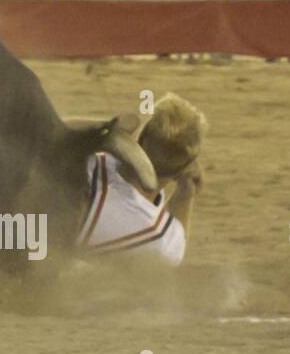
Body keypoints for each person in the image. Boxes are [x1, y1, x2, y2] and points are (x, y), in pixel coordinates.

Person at [77, 94, 208, 265]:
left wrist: (107, 130)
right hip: (72, 286)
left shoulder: (85, 163)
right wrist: (185, 195)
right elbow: (175, 250)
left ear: (141, 136)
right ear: (184, 168)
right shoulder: (161, 239)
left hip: (39, 253)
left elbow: (54, 131)